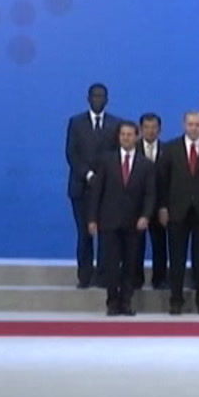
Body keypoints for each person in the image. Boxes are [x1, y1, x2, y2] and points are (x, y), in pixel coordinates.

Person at [87, 121, 155, 316]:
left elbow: (150, 194)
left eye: (130, 134)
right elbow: (97, 192)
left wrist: (145, 216)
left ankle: (126, 302)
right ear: (119, 137)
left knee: (130, 264)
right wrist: (92, 218)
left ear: (137, 136)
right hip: (109, 221)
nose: (126, 138)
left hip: (134, 222)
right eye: (123, 134)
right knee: (111, 263)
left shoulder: (145, 164)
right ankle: (112, 302)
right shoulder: (106, 161)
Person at [157, 112, 199, 316]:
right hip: (177, 212)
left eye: (197, 125)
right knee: (176, 260)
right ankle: (176, 301)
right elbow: (162, 181)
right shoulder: (170, 148)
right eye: (190, 124)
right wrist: (162, 207)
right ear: (184, 125)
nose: (194, 128)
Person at [65, 83, 120, 288]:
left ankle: (103, 275)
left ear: (107, 99)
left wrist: (103, 178)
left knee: (106, 235)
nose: (98, 99)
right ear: (88, 98)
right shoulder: (76, 122)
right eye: (94, 96)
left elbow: (117, 155)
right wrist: (88, 174)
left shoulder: (116, 124)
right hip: (81, 187)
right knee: (84, 233)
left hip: (106, 190)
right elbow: (72, 154)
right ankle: (84, 276)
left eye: (102, 96)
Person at [134, 112, 167, 290]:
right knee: (136, 245)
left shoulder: (167, 150)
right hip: (137, 207)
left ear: (160, 130)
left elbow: (169, 181)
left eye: (154, 127)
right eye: (146, 127)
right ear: (140, 130)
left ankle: (159, 278)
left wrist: (164, 206)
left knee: (160, 244)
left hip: (159, 206)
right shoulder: (133, 149)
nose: (150, 131)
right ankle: (135, 278)